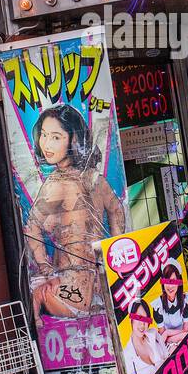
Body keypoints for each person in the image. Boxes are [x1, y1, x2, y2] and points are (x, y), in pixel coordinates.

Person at [22, 103, 126, 318]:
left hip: (71, 293)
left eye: (56, 137)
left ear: (74, 140)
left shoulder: (57, 184)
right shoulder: (96, 179)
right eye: (43, 135)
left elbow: (31, 227)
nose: (46, 144)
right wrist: (113, 256)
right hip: (100, 288)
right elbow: (116, 210)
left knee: (37, 295)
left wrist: (45, 270)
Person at [121, 299, 168, 374]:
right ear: (131, 319)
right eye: (138, 318)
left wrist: (153, 345)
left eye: (145, 319)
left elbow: (168, 358)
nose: (142, 324)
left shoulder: (154, 334)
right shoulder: (128, 353)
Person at [152, 263, 188, 347]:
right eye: (167, 281)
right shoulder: (158, 305)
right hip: (169, 339)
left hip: (180, 336)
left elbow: (186, 330)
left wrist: (168, 334)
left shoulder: (186, 300)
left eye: (173, 281)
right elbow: (162, 333)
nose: (170, 286)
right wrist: (166, 333)